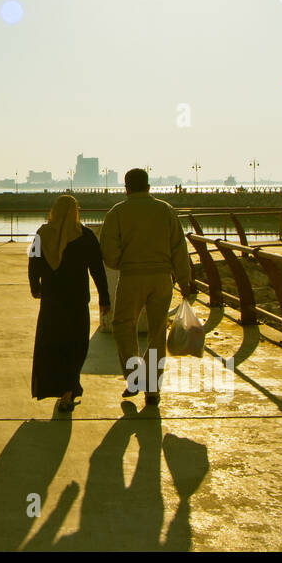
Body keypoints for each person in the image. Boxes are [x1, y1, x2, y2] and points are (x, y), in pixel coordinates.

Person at [101, 168, 195, 405]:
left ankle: (134, 377)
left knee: (123, 326)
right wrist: (184, 280)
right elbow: (179, 248)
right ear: (149, 187)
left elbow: (108, 250)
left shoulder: (118, 212)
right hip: (162, 278)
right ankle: (152, 387)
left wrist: (122, 263)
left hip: (132, 277)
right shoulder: (165, 210)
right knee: (157, 332)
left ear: (126, 188)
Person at [29, 194, 111, 411]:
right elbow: (97, 270)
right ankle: (68, 391)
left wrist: (35, 287)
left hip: (51, 302)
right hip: (77, 301)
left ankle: (63, 389)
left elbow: (33, 263)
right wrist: (105, 297)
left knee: (54, 346)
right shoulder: (85, 236)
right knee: (76, 346)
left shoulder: (41, 234)